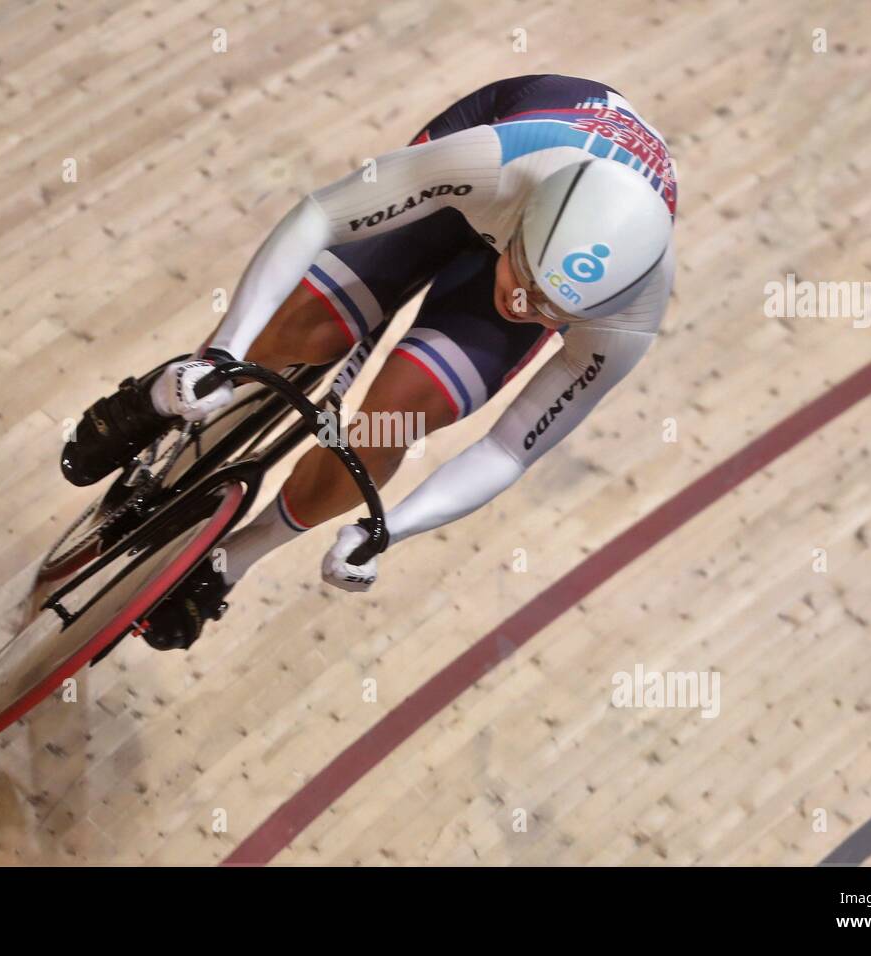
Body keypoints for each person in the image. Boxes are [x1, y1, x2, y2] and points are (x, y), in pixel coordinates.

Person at [61, 74, 678, 650]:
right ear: (521, 225)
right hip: (481, 170)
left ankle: (237, 559)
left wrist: (386, 531)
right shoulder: (497, 160)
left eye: (548, 309)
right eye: (527, 280)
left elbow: (509, 451)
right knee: (306, 326)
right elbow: (320, 215)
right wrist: (226, 350)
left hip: (534, 229)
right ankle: (161, 397)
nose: (521, 306)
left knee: (393, 422)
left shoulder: (626, 315)